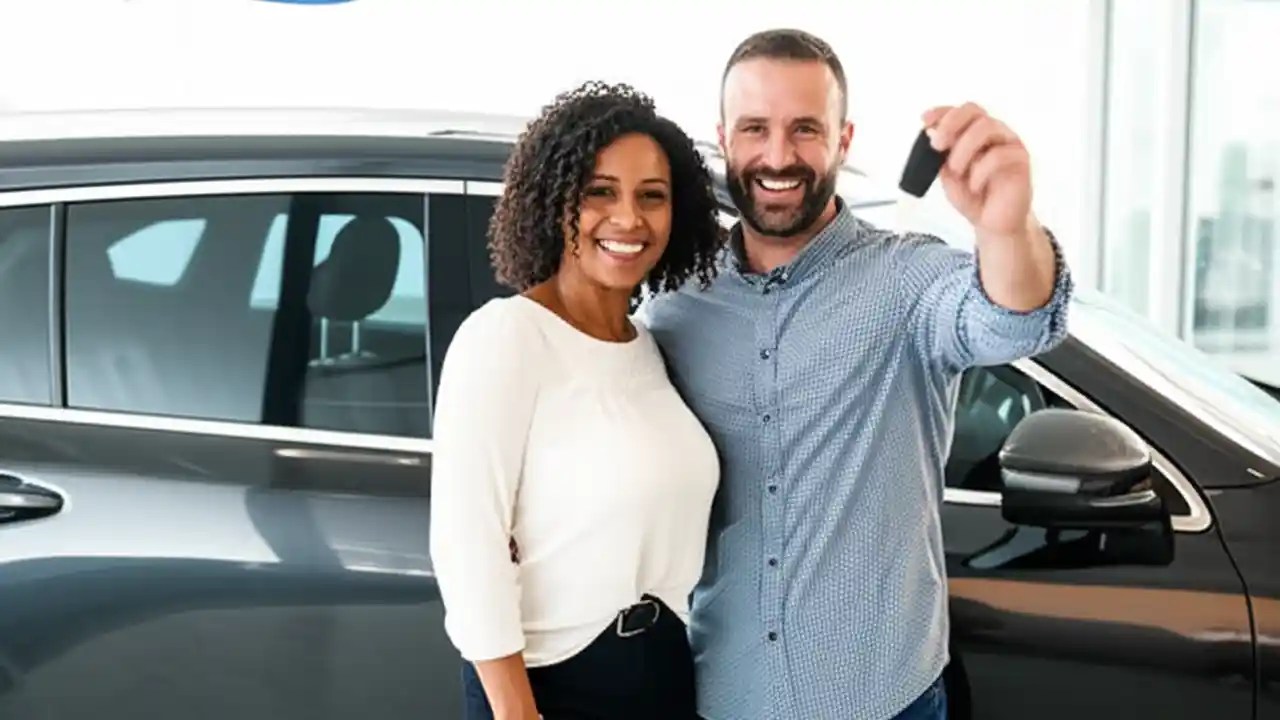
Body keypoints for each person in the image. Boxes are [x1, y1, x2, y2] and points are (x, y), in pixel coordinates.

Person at [636, 28, 1074, 720]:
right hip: (725, 698)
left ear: (843, 139)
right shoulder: (673, 306)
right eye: (756, 129)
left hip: (885, 702)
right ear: (724, 137)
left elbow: (1014, 319)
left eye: (805, 129)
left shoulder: (906, 281)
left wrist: (1007, 226)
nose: (778, 156)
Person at [427, 80, 726, 720]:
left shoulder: (649, 346)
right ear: (554, 201)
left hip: (662, 671)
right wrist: (517, 714)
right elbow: (467, 547)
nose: (628, 219)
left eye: (653, 197)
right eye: (599, 193)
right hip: (548, 687)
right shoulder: (506, 337)